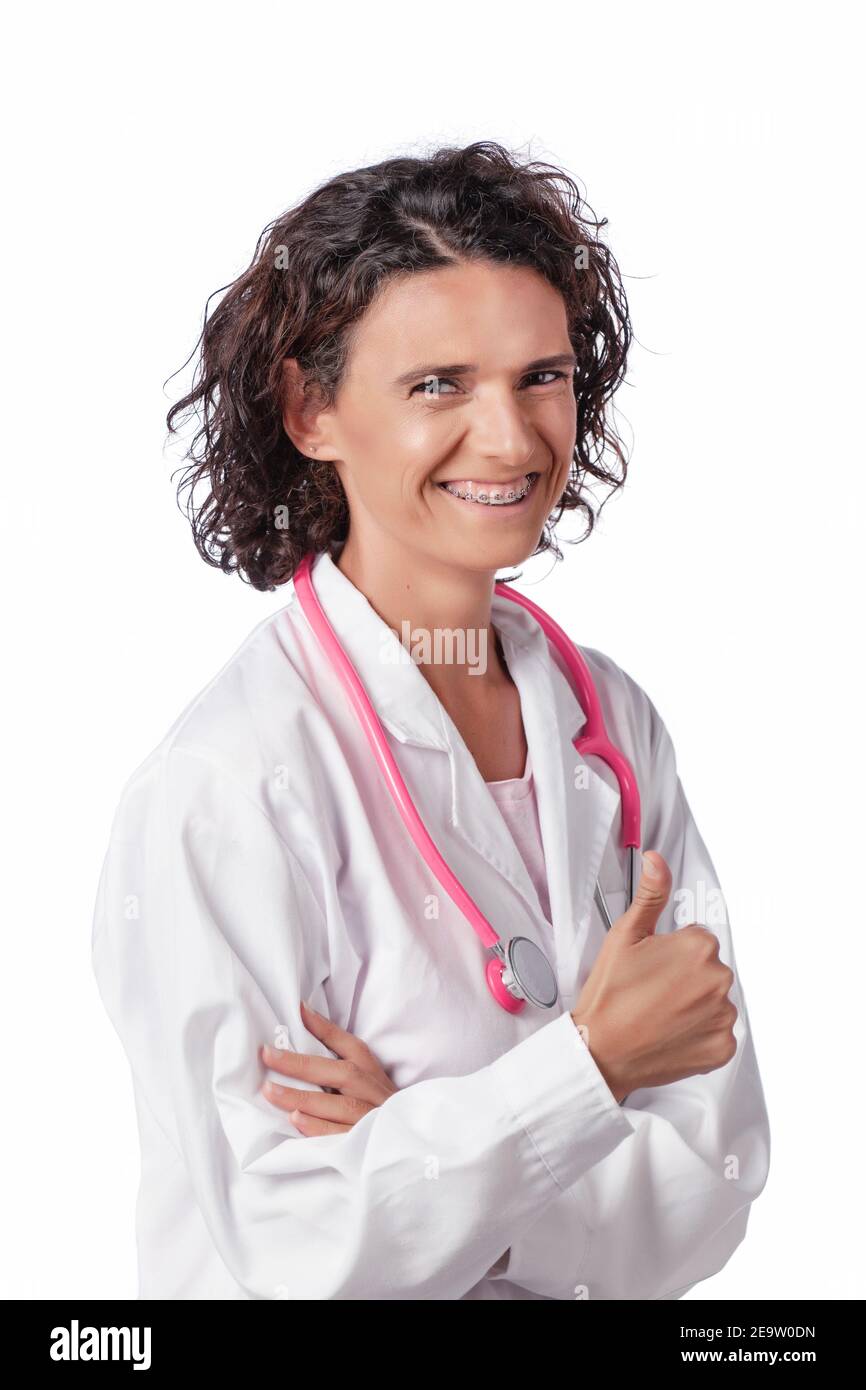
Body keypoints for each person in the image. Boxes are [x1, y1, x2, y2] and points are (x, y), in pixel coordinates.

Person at [91, 139, 770, 1300]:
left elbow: (713, 1170)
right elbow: (292, 1244)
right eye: (437, 384)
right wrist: (591, 1071)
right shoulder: (230, 783)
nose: (508, 440)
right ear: (311, 409)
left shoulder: (611, 722)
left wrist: (429, 1150)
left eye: (539, 376)